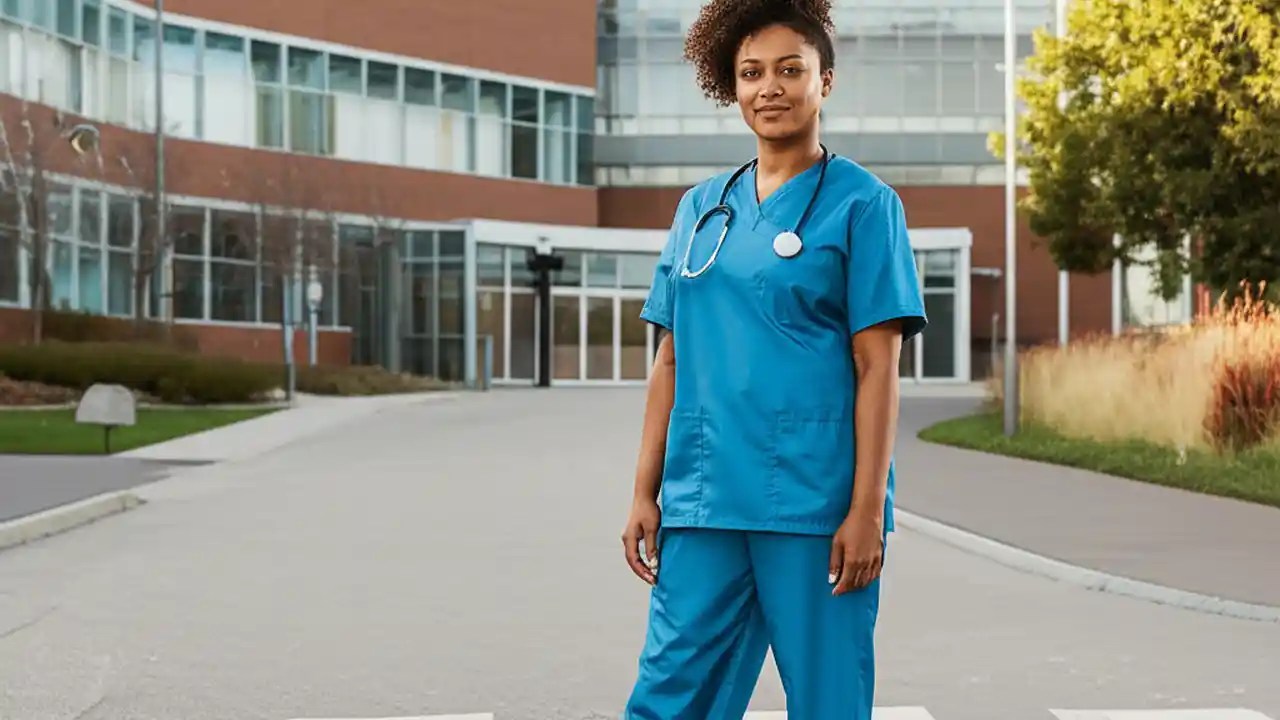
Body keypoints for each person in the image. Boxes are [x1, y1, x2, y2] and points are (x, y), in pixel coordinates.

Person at [619, 0, 928, 718]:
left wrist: (865, 512)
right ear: (731, 87)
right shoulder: (700, 208)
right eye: (752, 73)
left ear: (827, 81)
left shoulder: (863, 205)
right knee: (668, 694)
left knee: (827, 699)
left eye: (792, 70)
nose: (771, 87)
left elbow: (878, 368)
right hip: (704, 500)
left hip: (814, 505)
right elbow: (670, 359)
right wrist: (644, 490)